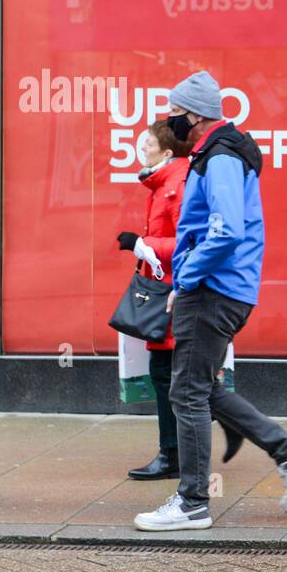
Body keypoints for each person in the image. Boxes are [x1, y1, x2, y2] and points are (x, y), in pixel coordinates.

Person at [133, 70, 287, 531]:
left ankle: (193, 502)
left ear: (194, 116)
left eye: (174, 113)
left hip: (213, 289)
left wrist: (186, 278)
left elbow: (225, 228)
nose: (168, 121)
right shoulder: (216, 152)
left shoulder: (218, 157)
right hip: (223, 287)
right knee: (201, 387)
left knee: (187, 393)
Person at [118, 119, 192, 480]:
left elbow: (189, 243)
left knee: (167, 375)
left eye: (148, 142)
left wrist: (143, 245)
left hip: (175, 295)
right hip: (167, 292)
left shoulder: (175, 183)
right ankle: (177, 453)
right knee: (172, 376)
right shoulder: (163, 182)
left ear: (166, 151)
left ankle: (173, 455)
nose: (141, 146)